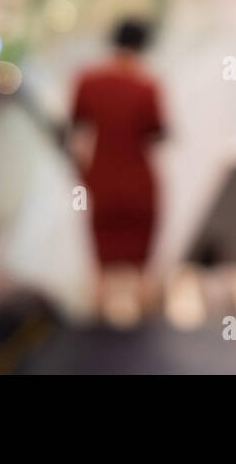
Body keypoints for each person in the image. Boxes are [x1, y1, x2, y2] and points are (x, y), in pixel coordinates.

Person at [70, 18, 168, 327]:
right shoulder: (147, 86)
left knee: (100, 267)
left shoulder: (87, 81)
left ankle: (95, 343)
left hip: (100, 181)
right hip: (139, 182)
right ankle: (147, 344)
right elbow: (158, 132)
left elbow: (76, 128)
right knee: (141, 269)